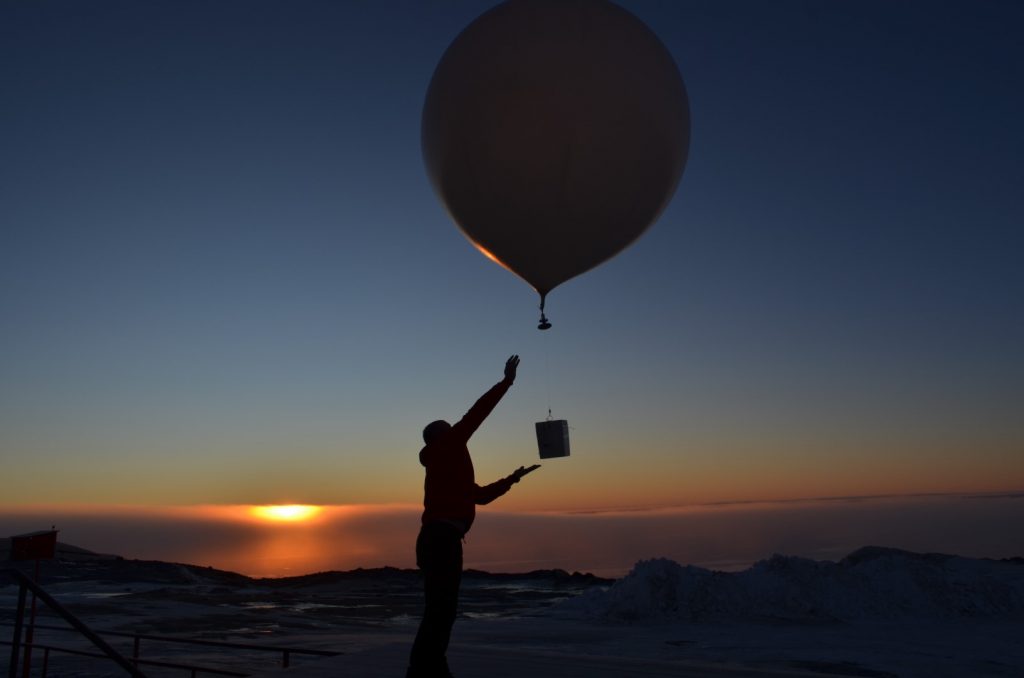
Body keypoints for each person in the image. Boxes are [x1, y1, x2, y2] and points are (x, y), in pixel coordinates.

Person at [407, 355, 540, 678]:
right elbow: (477, 413)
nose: (455, 428)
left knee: (441, 609)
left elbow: (479, 496)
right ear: (441, 435)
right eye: (449, 428)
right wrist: (506, 381)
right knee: (442, 610)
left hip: (437, 539)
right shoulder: (448, 446)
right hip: (442, 540)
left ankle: (429, 666)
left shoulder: (446, 464)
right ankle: (425, 669)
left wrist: (513, 478)